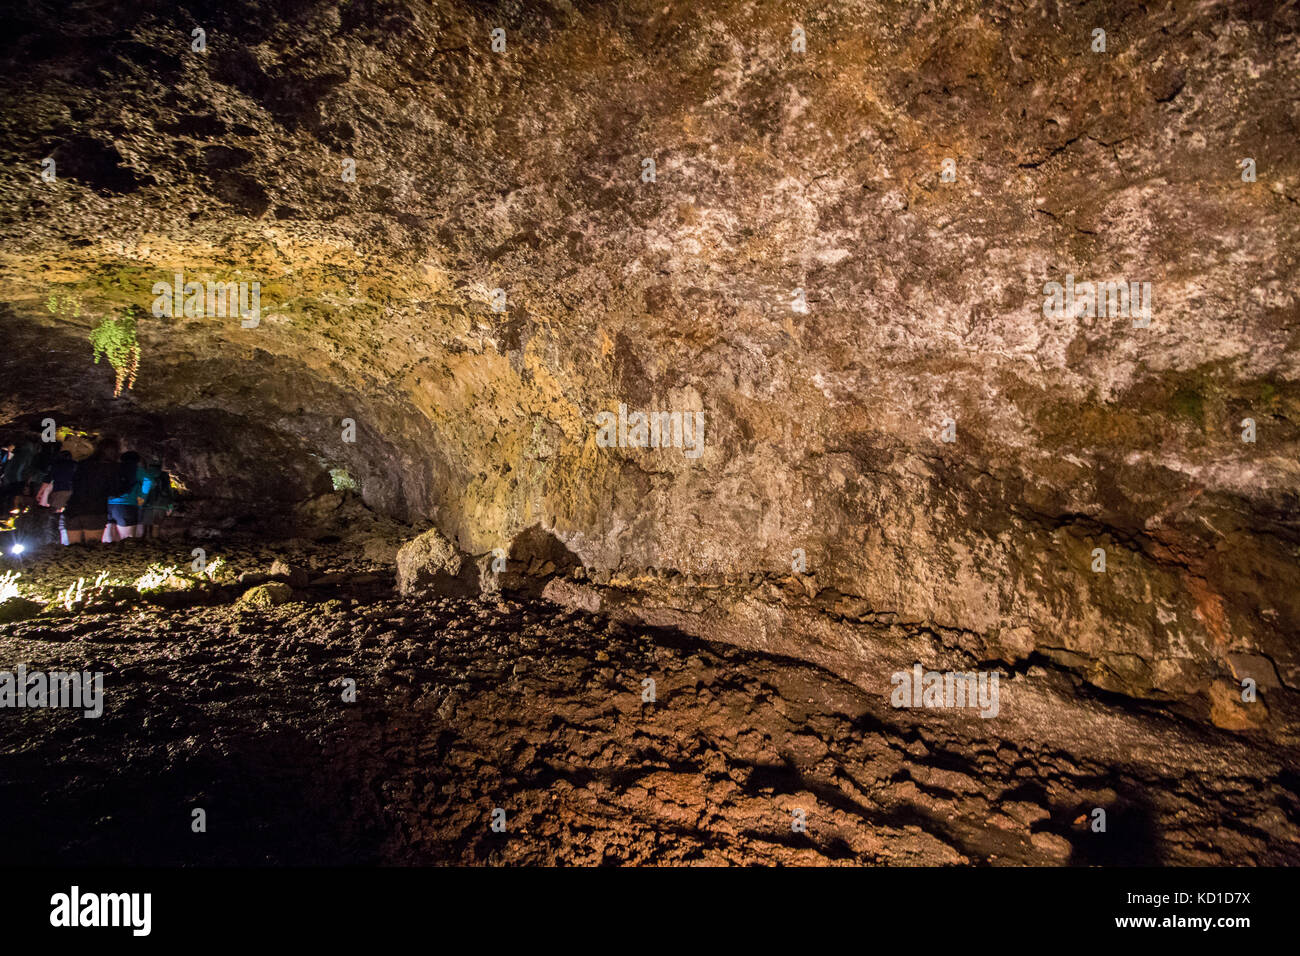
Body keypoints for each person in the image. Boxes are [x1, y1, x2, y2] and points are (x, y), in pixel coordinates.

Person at [60, 438, 119, 545]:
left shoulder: (82, 464)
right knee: (92, 550)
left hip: (73, 509)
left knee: (73, 549)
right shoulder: (111, 467)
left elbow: (72, 483)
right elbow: (114, 490)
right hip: (95, 510)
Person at [106, 450, 152, 541]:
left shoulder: (113, 468)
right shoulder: (136, 469)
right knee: (127, 540)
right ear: (137, 461)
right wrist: (141, 497)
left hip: (109, 505)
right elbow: (148, 481)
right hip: (127, 506)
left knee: (109, 539)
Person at [138, 459, 174, 538]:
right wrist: (170, 506)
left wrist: (139, 504)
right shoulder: (164, 475)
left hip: (147, 505)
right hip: (161, 505)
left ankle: (143, 545)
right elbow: (169, 490)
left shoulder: (145, 474)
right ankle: (154, 544)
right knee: (156, 526)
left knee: (145, 527)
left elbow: (141, 490)